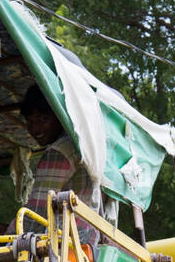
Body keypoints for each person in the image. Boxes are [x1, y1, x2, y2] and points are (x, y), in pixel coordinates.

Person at [14, 86, 106, 251]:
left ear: (60, 115)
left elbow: (35, 215)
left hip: (62, 248)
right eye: (30, 121)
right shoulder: (85, 148)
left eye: (42, 120)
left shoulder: (59, 152)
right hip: (86, 244)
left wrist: (6, 240)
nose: (35, 129)